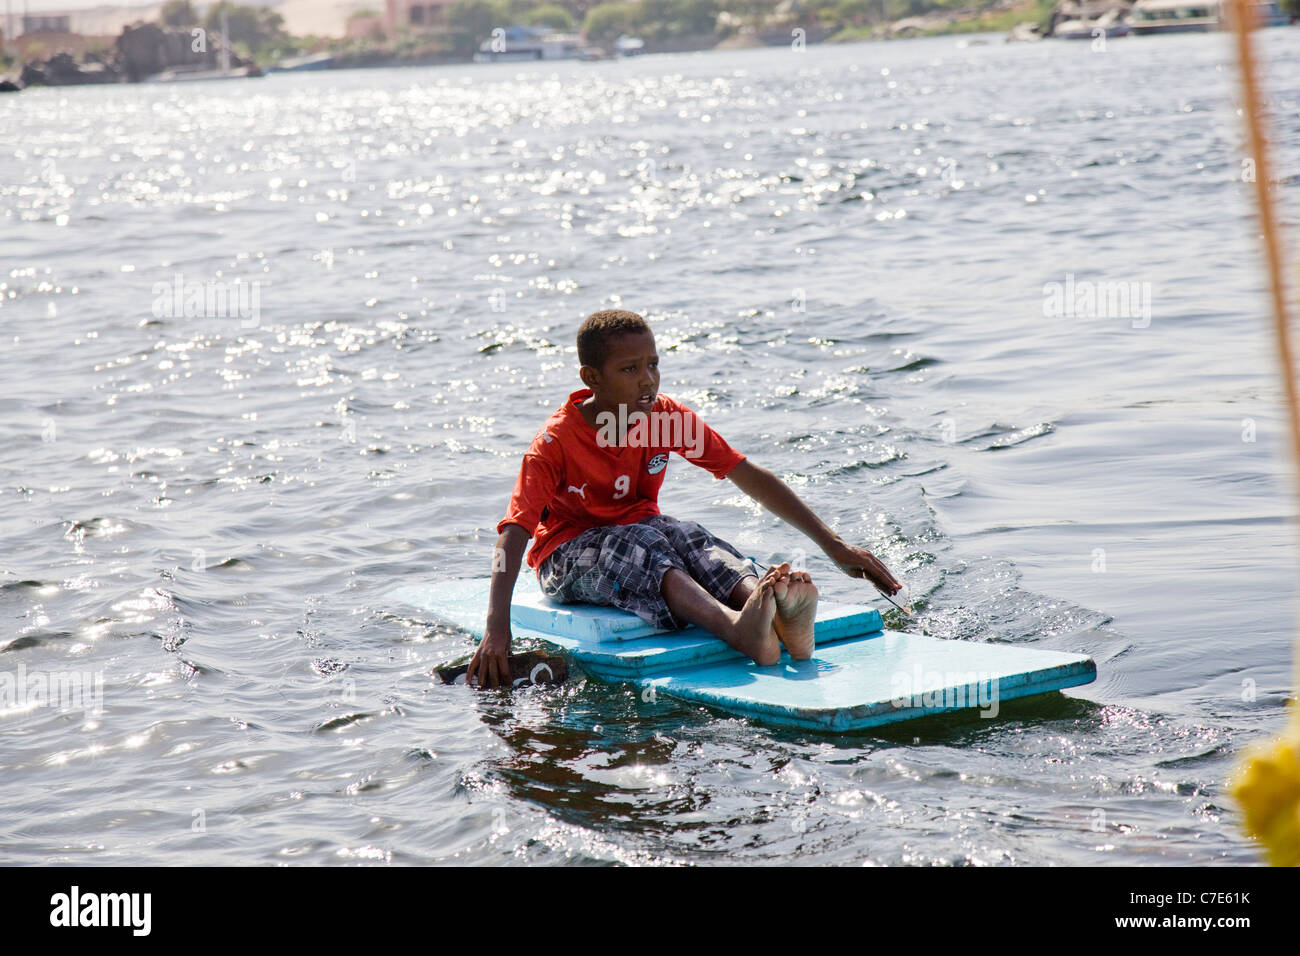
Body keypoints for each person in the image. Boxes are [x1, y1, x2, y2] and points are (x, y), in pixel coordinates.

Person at [467, 309, 902, 688]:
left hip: (640, 534)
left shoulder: (664, 418)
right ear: (592, 378)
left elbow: (746, 474)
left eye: (653, 365)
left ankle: (765, 606)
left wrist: (834, 546)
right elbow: (515, 532)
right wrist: (496, 627)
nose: (648, 380)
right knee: (643, 542)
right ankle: (739, 630)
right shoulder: (555, 443)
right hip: (564, 558)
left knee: (687, 535)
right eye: (630, 369)